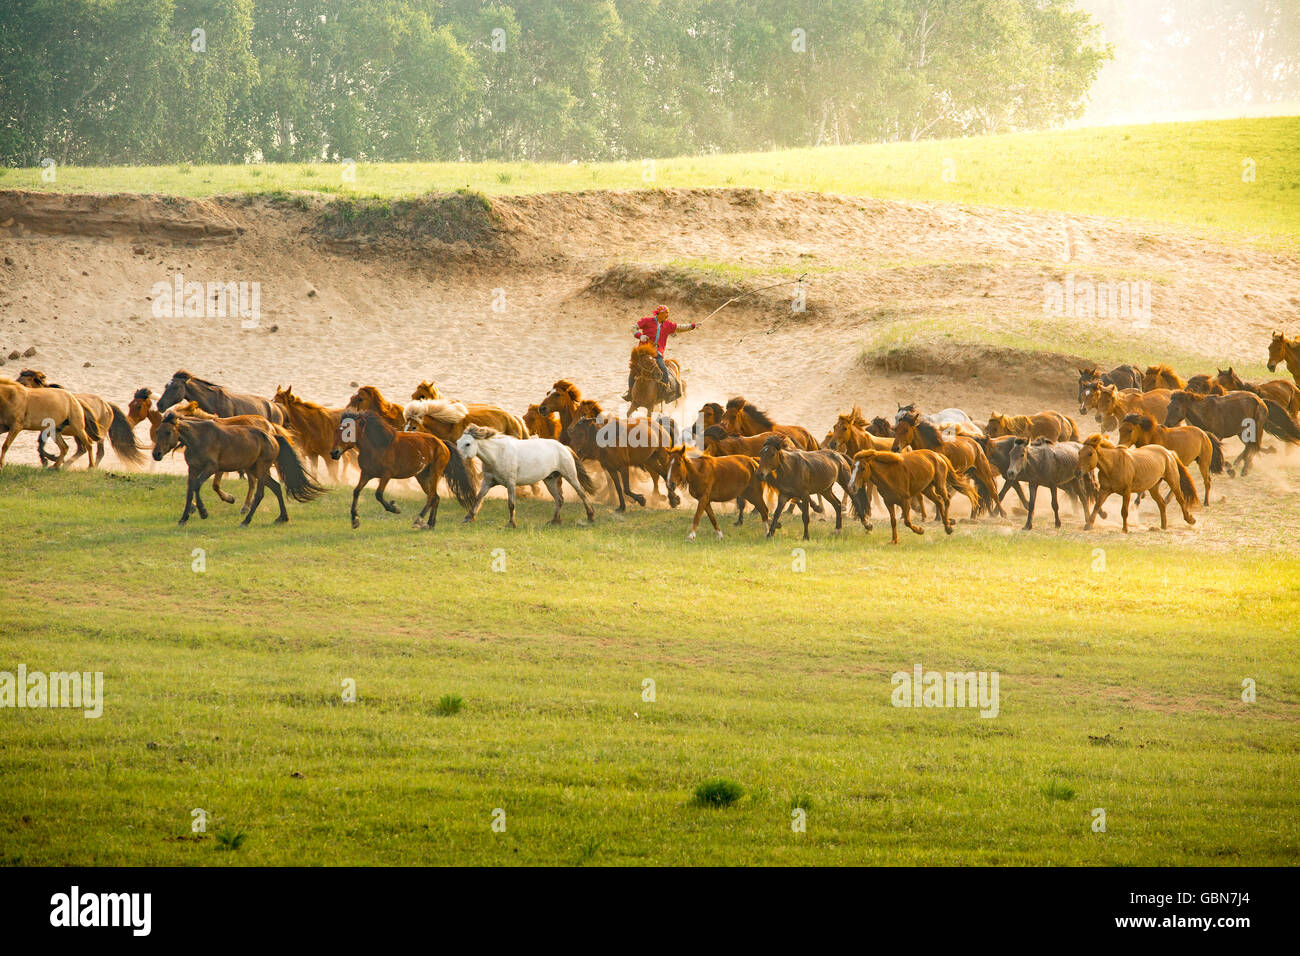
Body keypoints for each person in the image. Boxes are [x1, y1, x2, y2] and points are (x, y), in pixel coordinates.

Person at [624, 306, 698, 402]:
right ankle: (630, 392)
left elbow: (679, 327)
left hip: (657, 353)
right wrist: (639, 335)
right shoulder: (647, 321)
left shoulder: (668, 325)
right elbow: (633, 327)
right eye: (665, 313)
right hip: (643, 353)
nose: (667, 315)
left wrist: (693, 326)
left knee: (663, 368)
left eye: (667, 313)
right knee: (633, 370)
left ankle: (667, 391)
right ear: (658, 314)